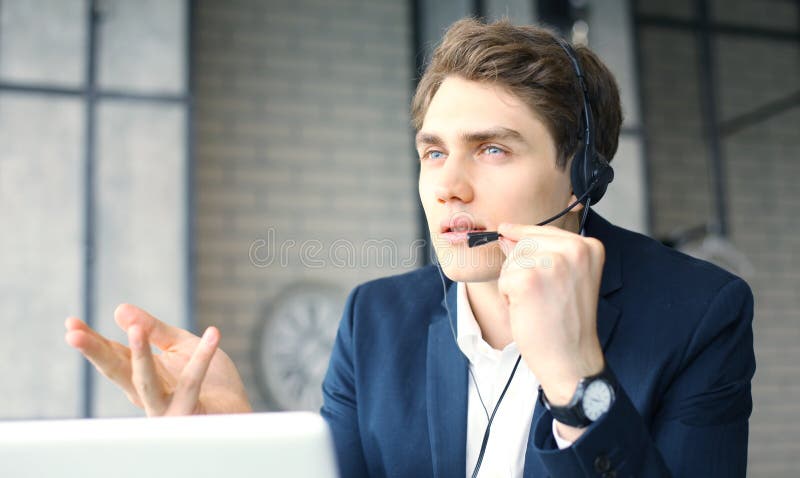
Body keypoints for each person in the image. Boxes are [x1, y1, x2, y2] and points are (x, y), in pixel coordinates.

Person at [65, 18, 755, 478]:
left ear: (584, 176)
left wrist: (578, 381)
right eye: (434, 152)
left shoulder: (700, 313)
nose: (448, 187)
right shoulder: (375, 319)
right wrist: (240, 447)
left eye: (492, 149)